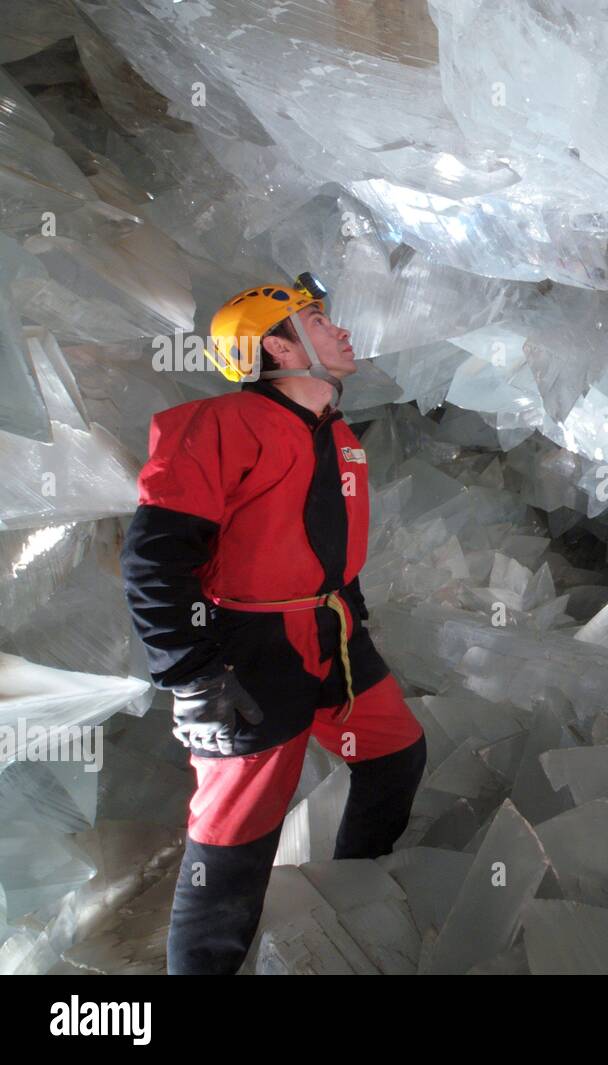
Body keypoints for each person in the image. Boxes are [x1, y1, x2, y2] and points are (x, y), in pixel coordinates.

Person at [120, 276, 427, 974]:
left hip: (333, 635)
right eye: (316, 320)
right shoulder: (220, 424)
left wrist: (352, 616)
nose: (338, 329)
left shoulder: (338, 434)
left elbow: (324, 543)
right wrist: (191, 678)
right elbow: (154, 558)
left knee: (395, 754)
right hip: (250, 654)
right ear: (279, 347)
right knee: (232, 847)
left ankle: (351, 895)